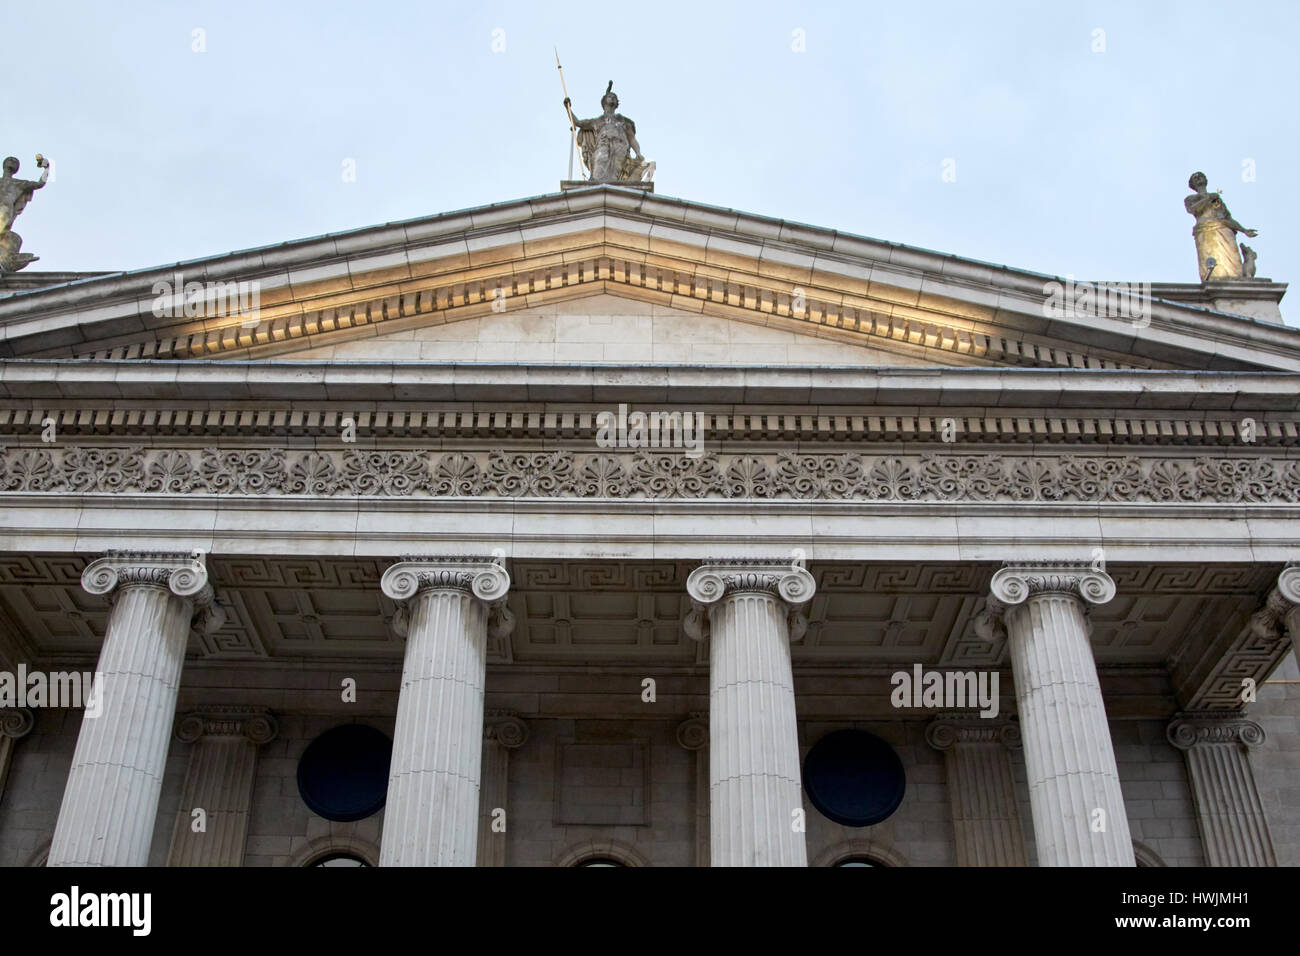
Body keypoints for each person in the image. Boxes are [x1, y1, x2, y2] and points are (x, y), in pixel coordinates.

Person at [1184, 171, 1257, 281]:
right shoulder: (1191, 198)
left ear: (1206, 180)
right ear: (1192, 184)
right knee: (1213, 262)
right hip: (1206, 231)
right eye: (1195, 177)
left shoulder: (1215, 199)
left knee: (1233, 260)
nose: (1199, 178)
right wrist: (1207, 198)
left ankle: (1237, 280)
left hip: (1224, 228)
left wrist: (1243, 230)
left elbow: (1226, 217)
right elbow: (1192, 209)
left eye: (1201, 176)